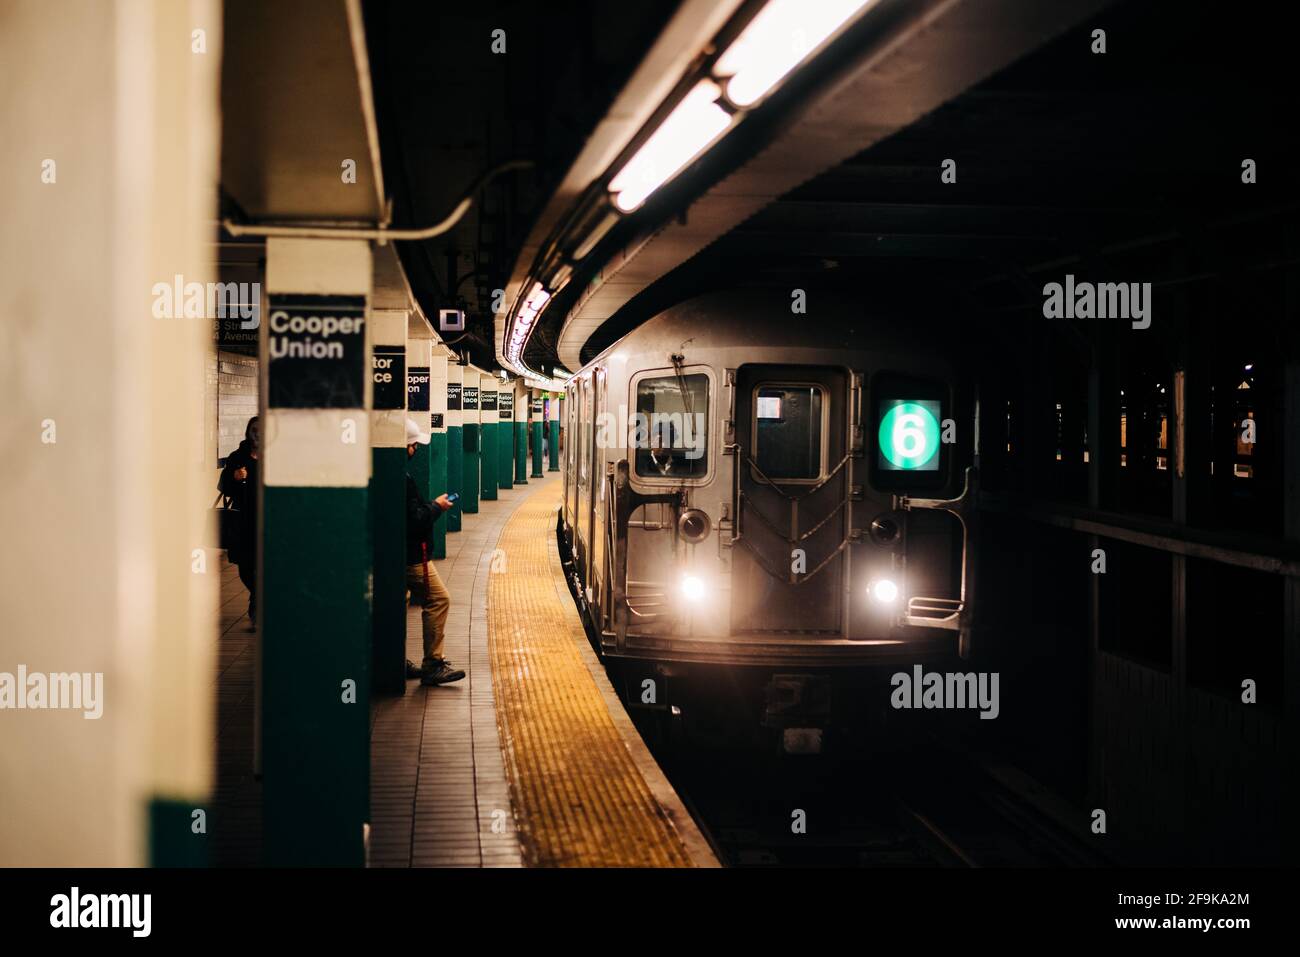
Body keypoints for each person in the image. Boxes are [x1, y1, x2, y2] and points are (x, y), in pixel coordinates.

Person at [404, 417, 465, 686]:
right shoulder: (402, 479)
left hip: (399, 554)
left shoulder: (390, 475)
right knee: (439, 599)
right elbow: (413, 519)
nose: (414, 449)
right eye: (412, 445)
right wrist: (437, 507)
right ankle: (433, 664)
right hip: (412, 557)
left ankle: (392, 658)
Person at [219, 416, 259, 629]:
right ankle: (257, 594)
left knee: (264, 564)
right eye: (254, 430)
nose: (258, 434)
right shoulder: (238, 457)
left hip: (266, 520)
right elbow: (224, 488)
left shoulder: (275, 457)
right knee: (245, 566)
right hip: (243, 521)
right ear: (248, 432)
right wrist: (234, 477)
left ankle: (258, 603)